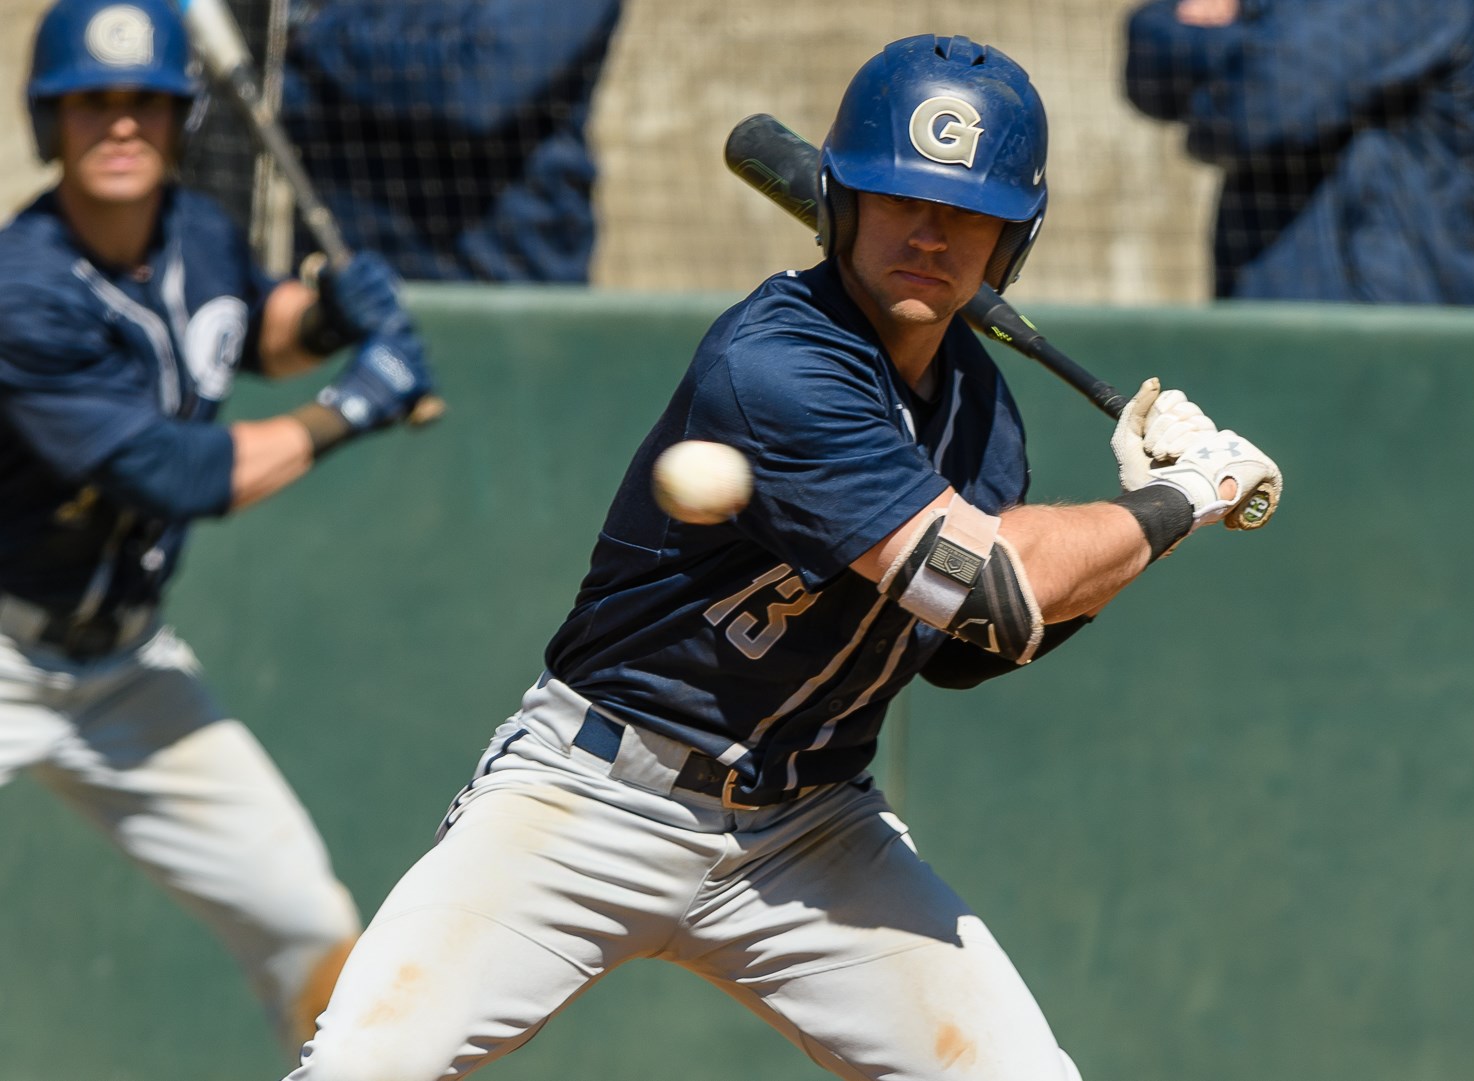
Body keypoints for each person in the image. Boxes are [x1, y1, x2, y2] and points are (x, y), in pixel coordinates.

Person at [285, 35, 1278, 1081]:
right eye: (899, 199)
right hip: (594, 800)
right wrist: (1177, 500)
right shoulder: (777, 365)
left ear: (1010, 238)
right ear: (841, 204)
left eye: (966, 213)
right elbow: (987, 581)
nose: (930, 235)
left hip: (810, 829)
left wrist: (1138, 532)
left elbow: (971, 643)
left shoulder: (984, 419)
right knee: (363, 1068)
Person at [0, 0, 438, 1057]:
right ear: (47, 123)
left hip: (126, 666)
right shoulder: (23, 294)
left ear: (178, 118)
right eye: (90, 104)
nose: (118, 127)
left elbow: (255, 331)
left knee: (308, 922)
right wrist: (357, 403)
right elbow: (178, 472)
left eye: (143, 103)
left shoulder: (198, 229)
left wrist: (327, 318)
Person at [1123, 0, 1474, 305]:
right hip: (1267, 291)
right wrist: (1256, 44)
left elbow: (1264, 105)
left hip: (1408, 307)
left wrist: (1240, 36)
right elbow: (1147, 47)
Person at [277, 0, 625, 282]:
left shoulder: (320, 28)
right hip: (348, 288)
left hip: (503, 297)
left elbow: (478, 88)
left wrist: (315, 33)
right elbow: (283, 90)